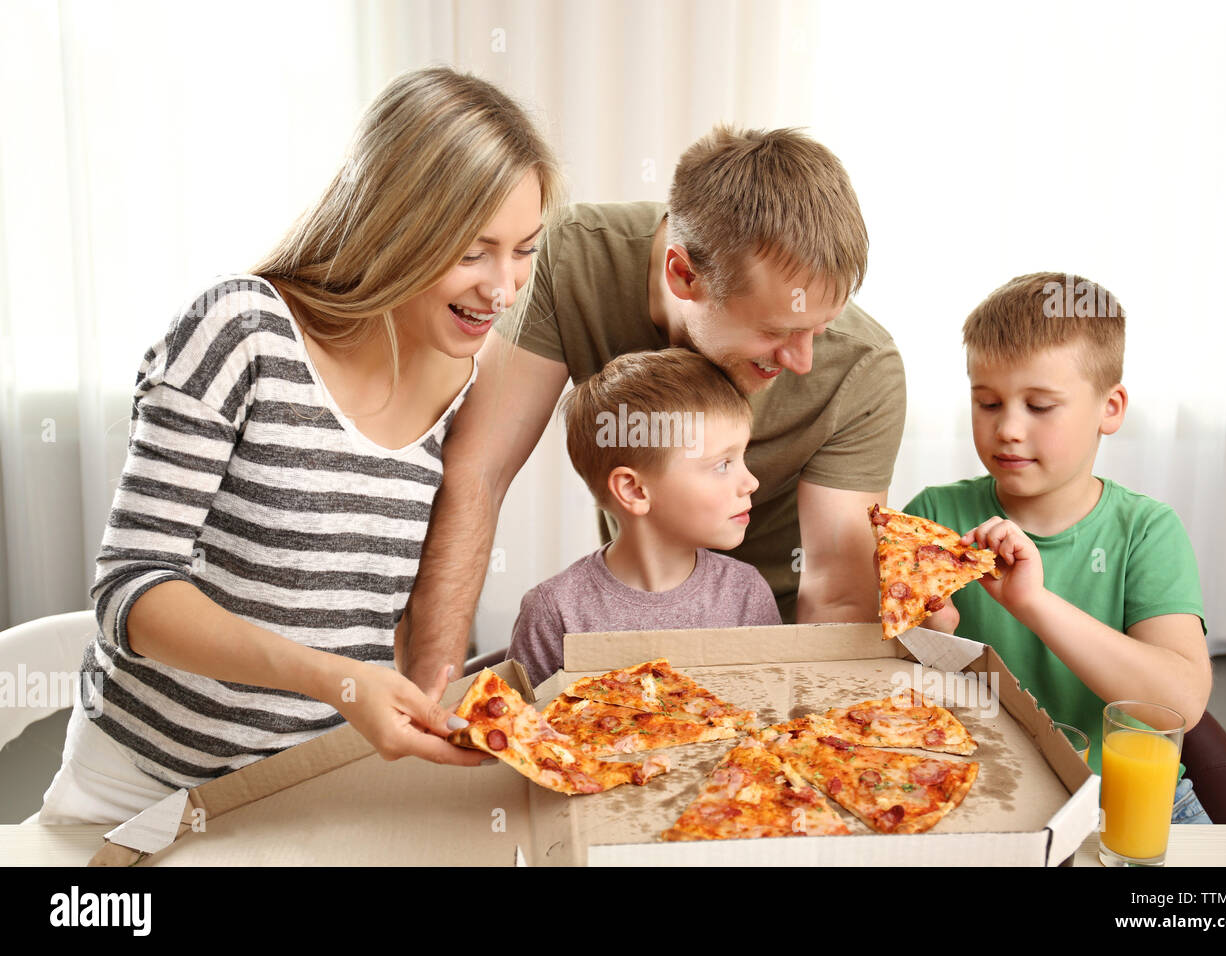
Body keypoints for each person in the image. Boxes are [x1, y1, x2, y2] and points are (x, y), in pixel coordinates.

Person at [39, 67, 564, 825]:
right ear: (397, 225)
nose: (505, 288)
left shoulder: (464, 382)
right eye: (476, 251)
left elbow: (414, 600)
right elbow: (130, 589)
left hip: (304, 792)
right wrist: (340, 682)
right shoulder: (241, 331)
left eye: (525, 251)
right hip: (130, 786)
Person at [402, 125, 907, 691]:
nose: (804, 361)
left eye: (822, 327)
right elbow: (479, 471)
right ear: (683, 273)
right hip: (628, 649)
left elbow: (838, 592)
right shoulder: (572, 258)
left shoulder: (865, 369)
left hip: (780, 650)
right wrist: (432, 698)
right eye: (775, 331)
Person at [904, 272, 1214, 822]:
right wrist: (932, 633)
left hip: (1131, 807)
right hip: (987, 801)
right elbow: (887, 684)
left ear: (1110, 409)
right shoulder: (933, 517)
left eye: (1040, 406)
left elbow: (1181, 704)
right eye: (988, 403)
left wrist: (1033, 603)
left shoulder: (1147, 530)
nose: (1008, 430)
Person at [506, 349, 781, 687]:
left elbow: (769, 719)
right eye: (722, 464)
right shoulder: (554, 612)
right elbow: (517, 730)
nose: (751, 482)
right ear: (634, 490)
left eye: (742, 457)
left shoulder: (745, 594)